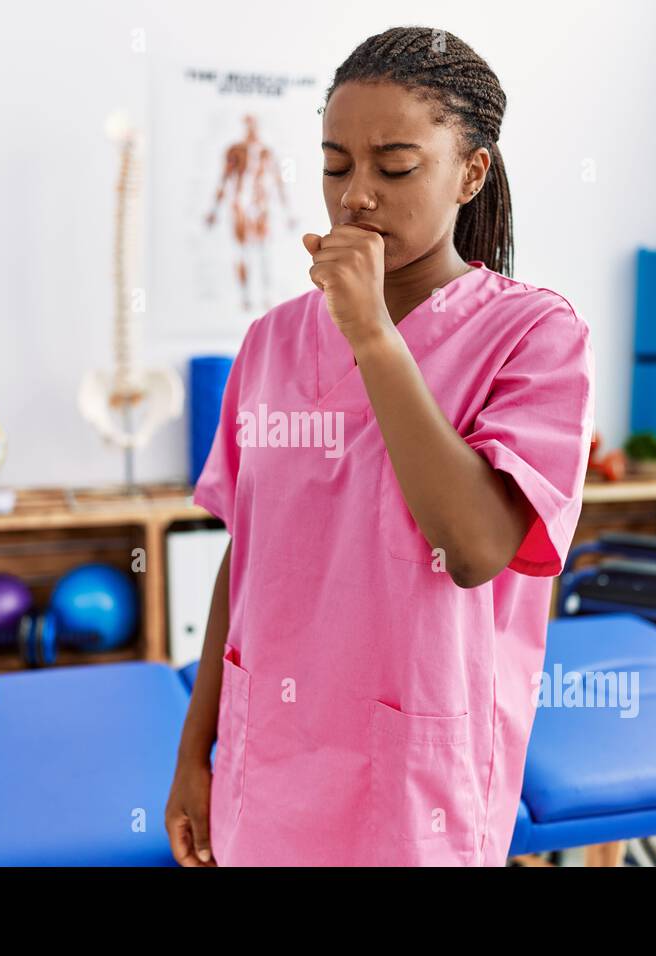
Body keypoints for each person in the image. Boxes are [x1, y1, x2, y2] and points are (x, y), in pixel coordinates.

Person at [166, 25, 595, 866]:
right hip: (270, 764)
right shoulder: (270, 343)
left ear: (470, 173)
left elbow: (473, 548)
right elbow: (243, 557)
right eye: (336, 166)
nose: (357, 195)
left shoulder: (535, 336)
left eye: (395, 167)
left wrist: (369, 332)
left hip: (414, 782)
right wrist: (195, 751)